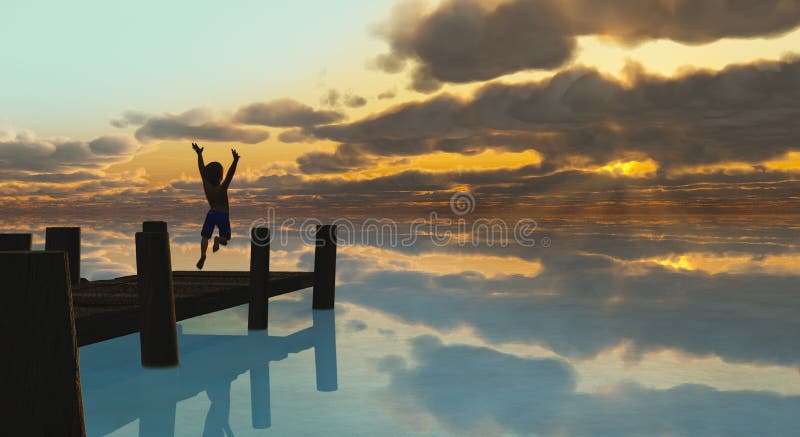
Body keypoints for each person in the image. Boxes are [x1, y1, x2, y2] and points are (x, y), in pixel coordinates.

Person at [192, 142, 240, 269]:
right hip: (223, 214)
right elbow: (230, 174)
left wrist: (199, 154)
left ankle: (203, 254)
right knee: (226, 239)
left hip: (211, 213)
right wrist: (235, 161)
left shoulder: (206, 186)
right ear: (220, 176)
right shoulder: (222, 188)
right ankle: (218, 239)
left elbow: (201, 169)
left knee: (205, 236)